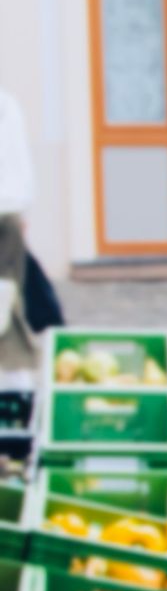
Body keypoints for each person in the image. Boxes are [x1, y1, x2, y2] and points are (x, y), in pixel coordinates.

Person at [0, 86, 56, 378]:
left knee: (6, 308)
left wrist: (20, 215)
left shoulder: (5, 106)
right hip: (8, 216)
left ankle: (15, 391)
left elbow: (17, 175)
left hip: (3, 219)